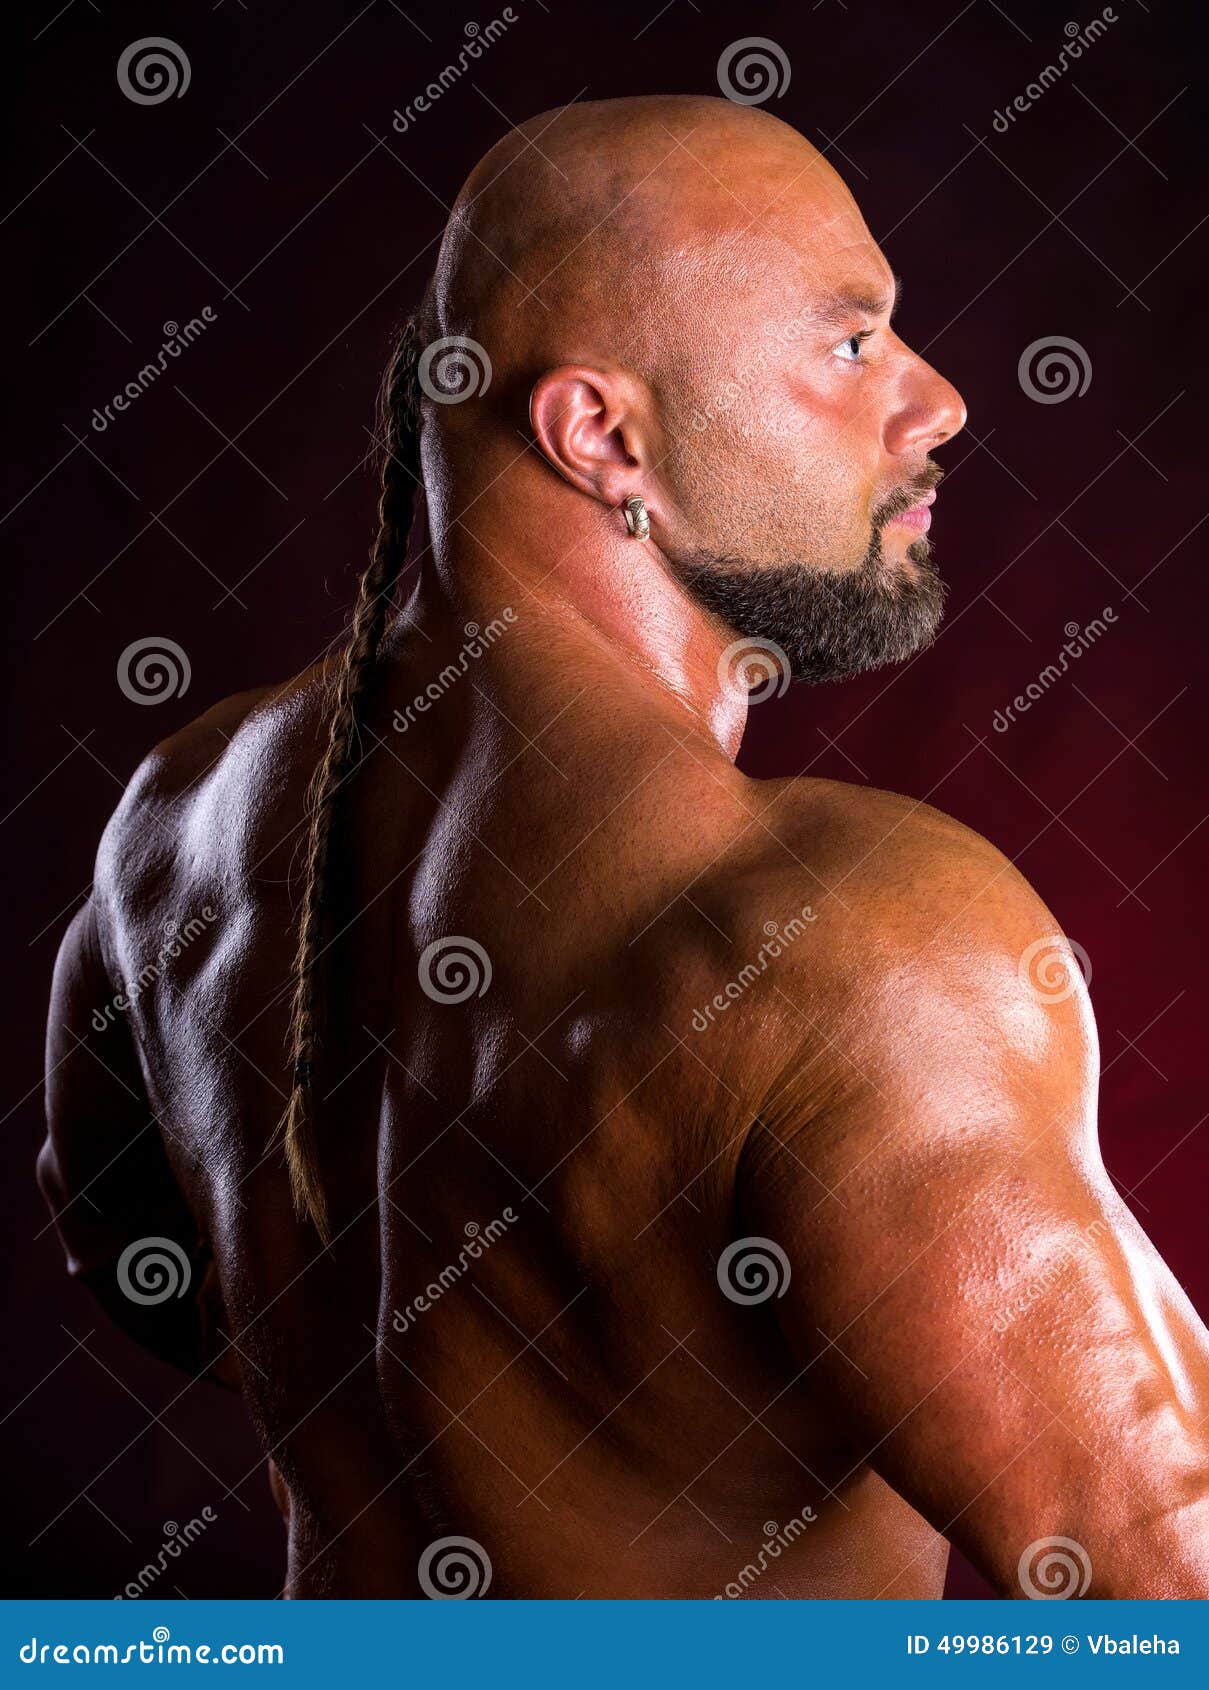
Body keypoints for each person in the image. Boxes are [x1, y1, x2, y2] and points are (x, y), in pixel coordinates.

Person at [40, 95, 1209, 1599]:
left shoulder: (176, 825)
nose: (936, 405)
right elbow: (1170, 1569)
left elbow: (149, 1274)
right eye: (850, 346)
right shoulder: (856, 940)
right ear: (602, 434)